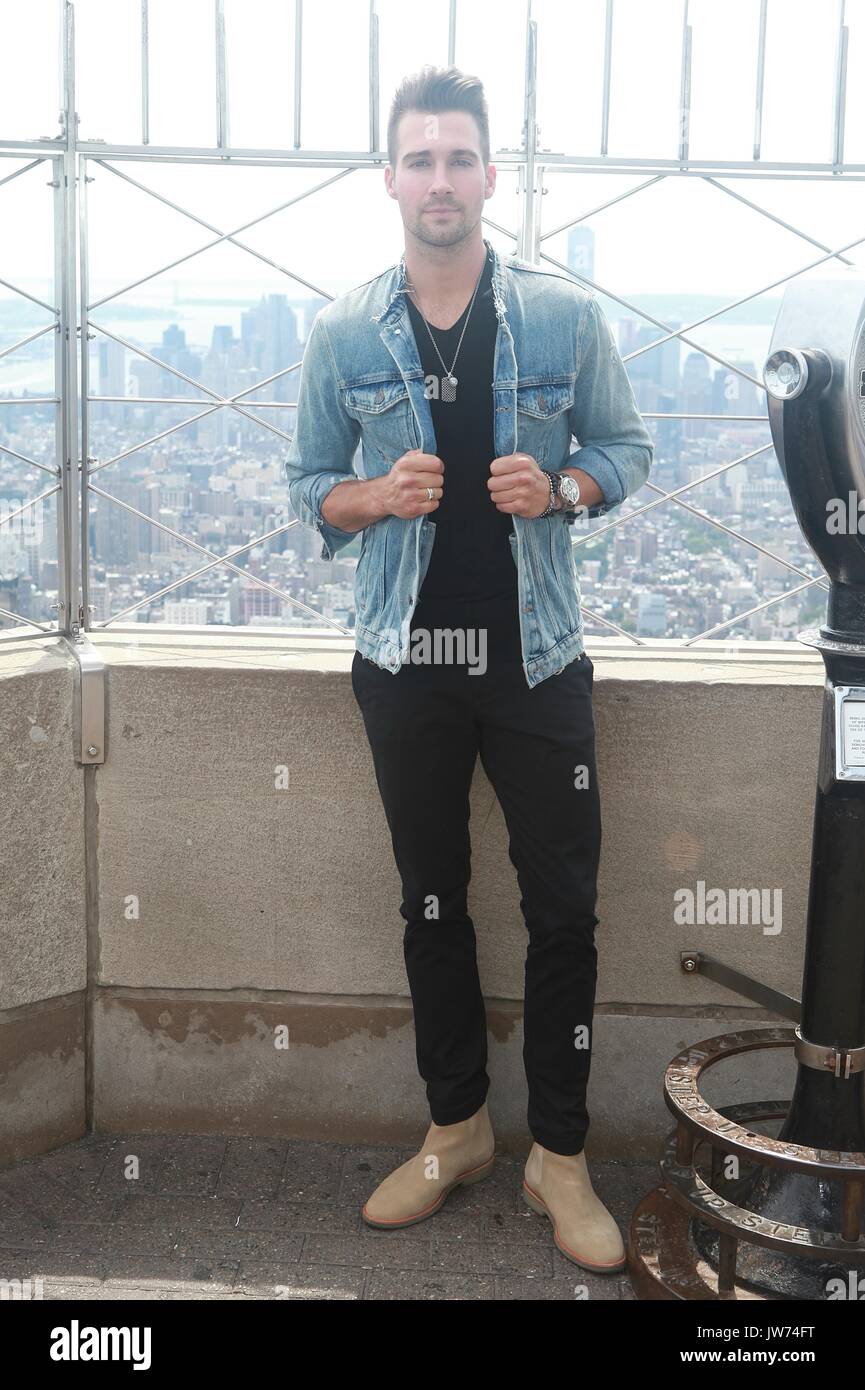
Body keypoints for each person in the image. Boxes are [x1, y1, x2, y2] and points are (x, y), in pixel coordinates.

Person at [284, 65, 654, 1274]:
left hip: (537, 658)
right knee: (430, 900)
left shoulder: (559, 316)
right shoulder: (343, 329)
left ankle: (559, 1151)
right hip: (405, 659)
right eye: (418, 158)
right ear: (388, 178)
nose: (439, 179)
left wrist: (568, 488)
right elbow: (308, 498)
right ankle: (456, 1130)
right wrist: (375, 497)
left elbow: (626, 445)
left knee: (563, 910)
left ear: (490, 176)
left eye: (459, 158)